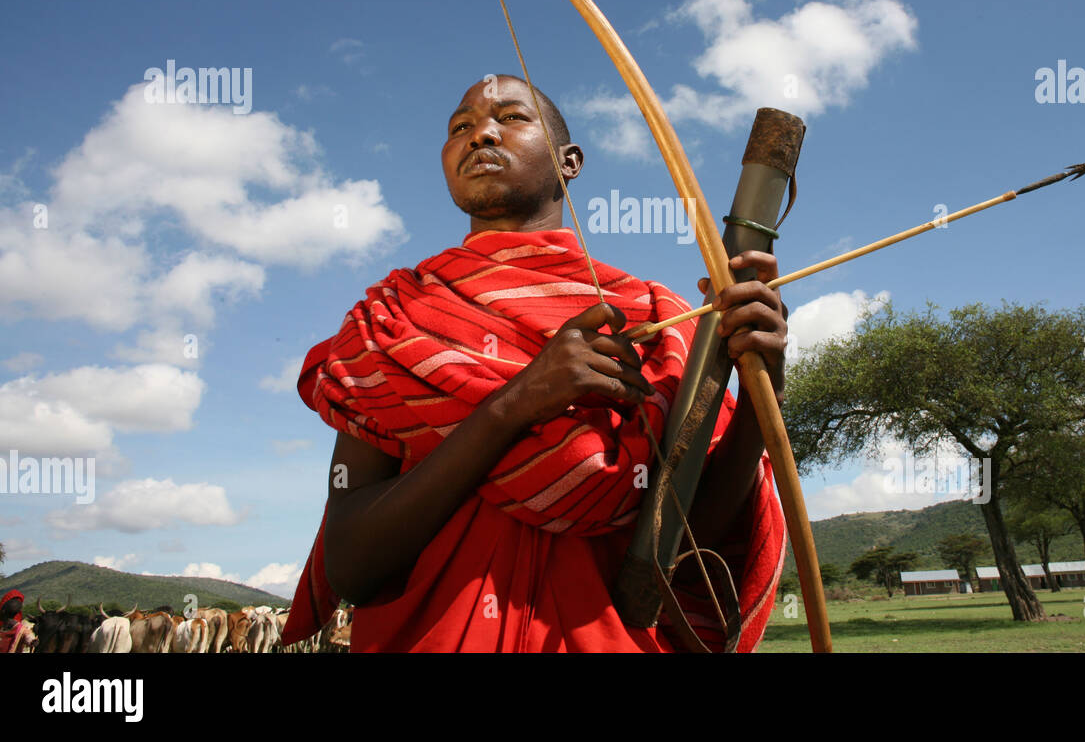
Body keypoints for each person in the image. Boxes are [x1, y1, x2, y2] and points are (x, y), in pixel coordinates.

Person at [283, 74, 788, 652]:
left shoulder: (654, 319)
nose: (480, 135)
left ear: (569, 162)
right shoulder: (395, 319)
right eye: (460, 127)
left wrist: (760, 387)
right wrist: (515, 403)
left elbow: (695, 536)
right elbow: (352, 567)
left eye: (512, 118)